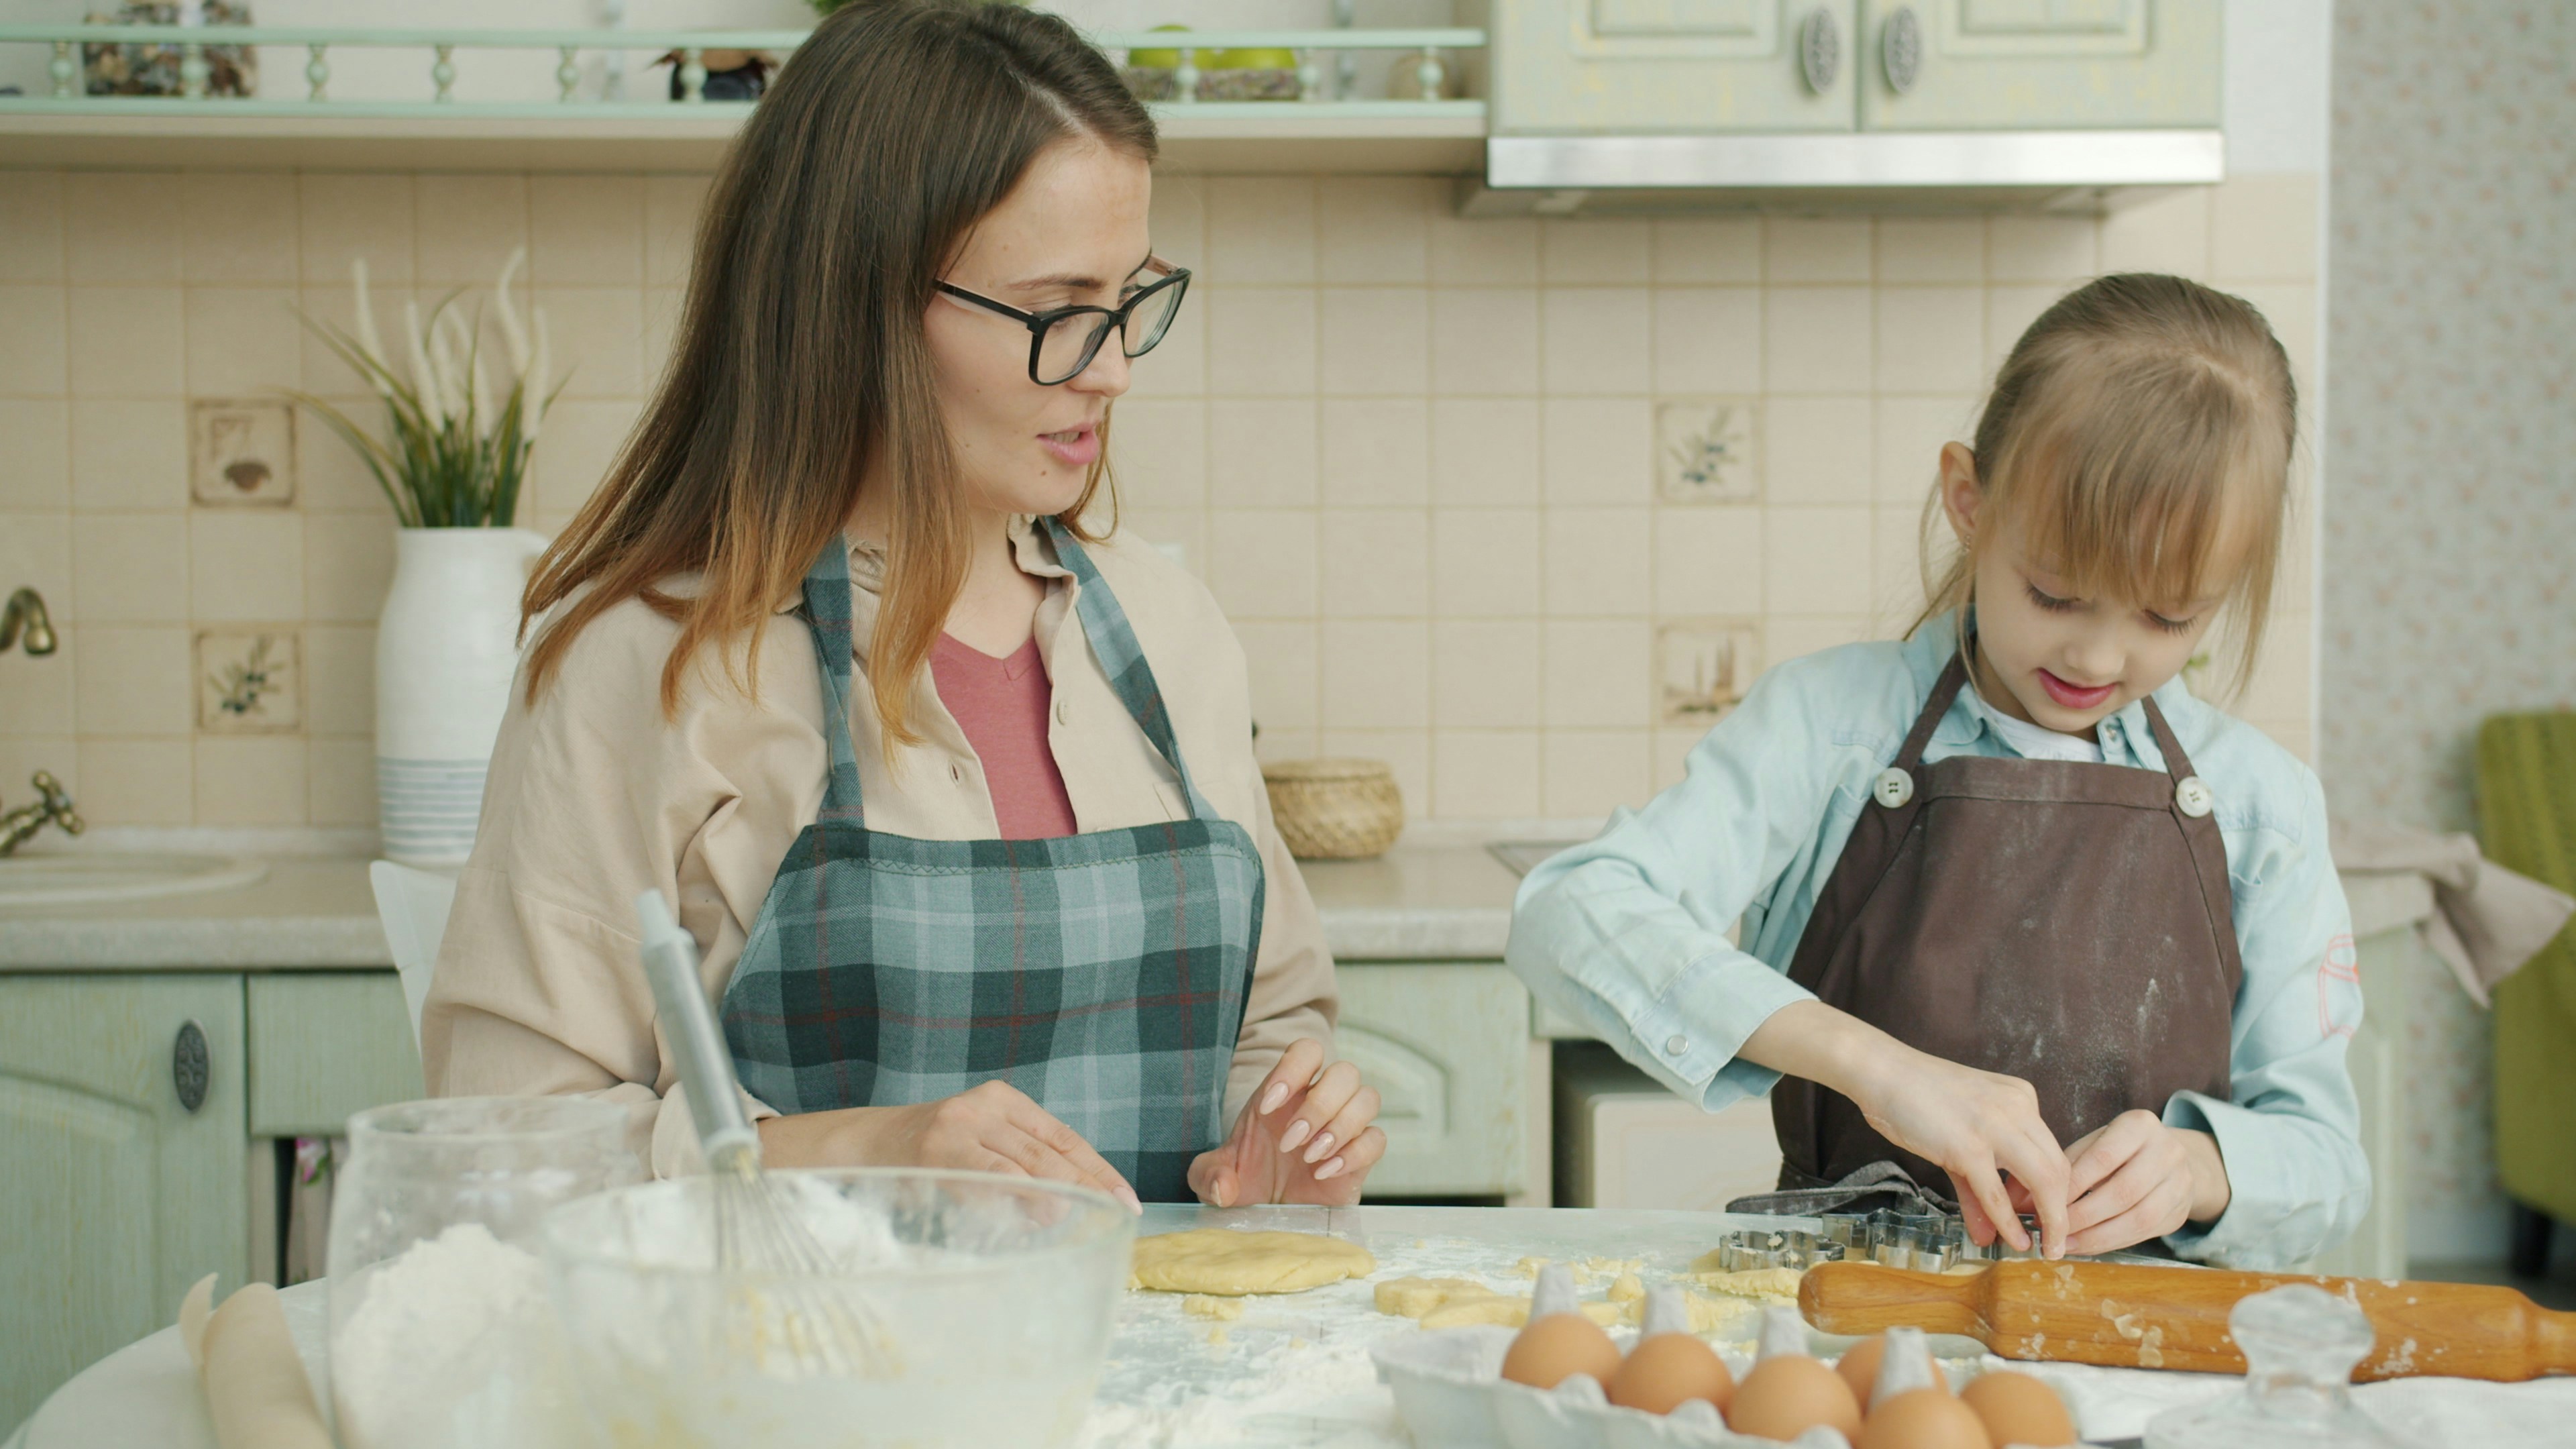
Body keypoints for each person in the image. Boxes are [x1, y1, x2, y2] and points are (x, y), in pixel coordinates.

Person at [423, 0, 1385, 1210]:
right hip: (796, 1388)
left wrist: (1282, 1136)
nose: (1114, 366)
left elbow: (1272, 1021)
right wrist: (865, 1152)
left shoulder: (1170, 627)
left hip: (1155, 1381)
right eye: (1058, 310)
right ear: (863, 303)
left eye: (1131, 298)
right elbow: (503, 1153)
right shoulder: (647, 666)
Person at [1509, 274, 2366, 1267]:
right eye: (2053, 592)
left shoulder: (2266, 810)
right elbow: (1568, 911)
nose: (2095, 658)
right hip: (1854, 1319)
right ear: (1970, 501)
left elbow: (2329, 1165)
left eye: (2167, 617)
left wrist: (2203, 1168)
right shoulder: (1830, 730)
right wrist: (1877, 1067)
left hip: (2146, 1350)